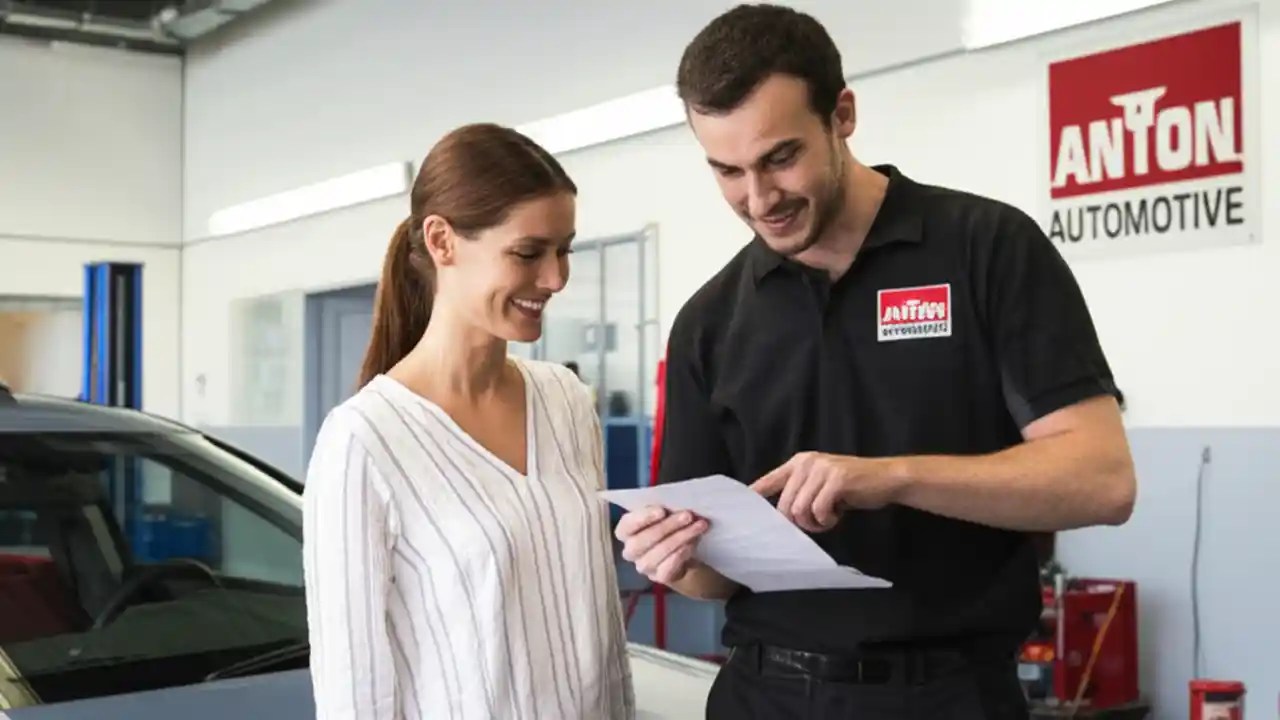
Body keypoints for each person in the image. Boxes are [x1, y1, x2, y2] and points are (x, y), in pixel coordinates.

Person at [615, 5, 1136, 719]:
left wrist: (892, 477)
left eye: (780, 158)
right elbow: (711, 582)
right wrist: (673, 558)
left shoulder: (987, 250)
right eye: (727, 171)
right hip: (764, 693)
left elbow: (1103, 481)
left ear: (844, 115)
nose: (759, 199)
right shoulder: (708, 322)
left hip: (951, 694)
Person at [302, 123, 635, 720]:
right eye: (529, 253)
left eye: (565, 251)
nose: (556, 278)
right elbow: (357, 697)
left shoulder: (565, 401)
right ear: (442, 241)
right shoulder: (365, 441)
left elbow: (603, 638)